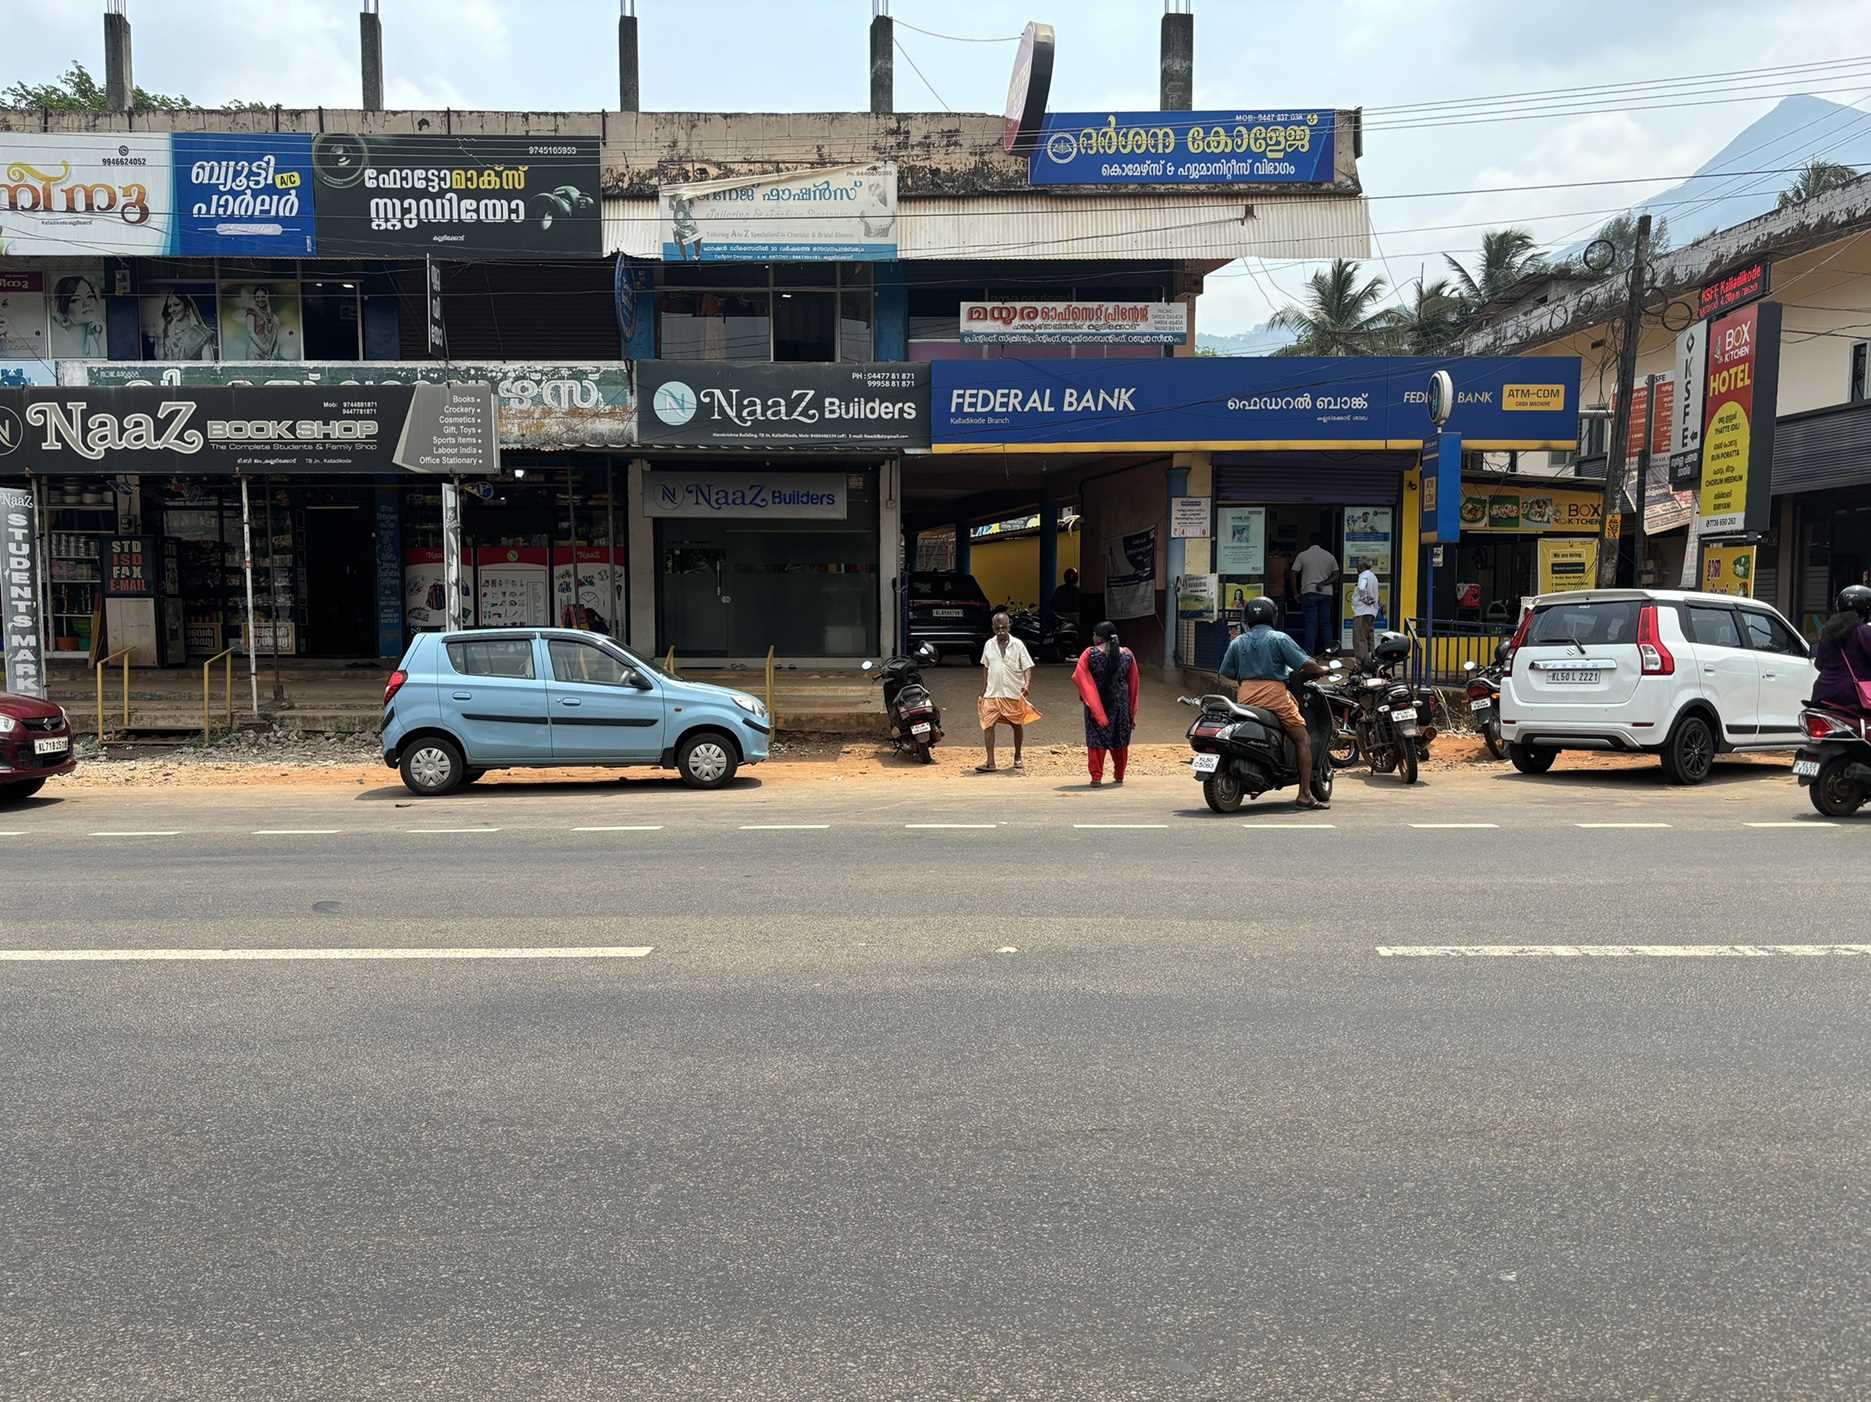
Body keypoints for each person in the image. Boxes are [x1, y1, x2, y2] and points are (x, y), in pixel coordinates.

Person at [1218, 595, 1329, 809]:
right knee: (1302, 739)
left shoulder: (1238, 641)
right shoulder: (1279, 638)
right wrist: (1321, 669)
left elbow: (1226, 671)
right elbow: (1305, 665)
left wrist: (1247, 676)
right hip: (1274, 694)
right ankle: (1305, 795)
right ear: (1273, 615)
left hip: (1245, 695)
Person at [1073, 620, 1140, 786]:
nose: (1093, 637)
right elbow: (1134, 682)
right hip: (1121, 702)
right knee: (1120, 737)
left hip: (1099, 701)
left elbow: (1079, 675)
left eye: (1094, 634)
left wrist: (1087, 697)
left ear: (1100, 637)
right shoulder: (1127, 654)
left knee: (1096, 738)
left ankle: (1096, 777)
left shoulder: (1090, 653)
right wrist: (1132, 710)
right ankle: (1119, 775)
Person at [977, 607, 1040, 772]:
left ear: (1009, 626)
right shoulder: (988, 645)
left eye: (1003, 627)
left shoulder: (1018, 645)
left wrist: (1026, 685)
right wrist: (984, 688)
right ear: (993, 628)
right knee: (988, 725)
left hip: (1013, 692)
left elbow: (1027, 667)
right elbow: (985, 667)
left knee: (1016, 724)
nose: (1000, 631)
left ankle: (1017, 756)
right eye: (997, 628)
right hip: (992, 693)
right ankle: (990, 762)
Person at [1811, 584, 1871, 716]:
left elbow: (1819, 664)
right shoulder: (1864, 632)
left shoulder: (1827, 632)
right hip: (1853, 698)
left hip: (1821, 695)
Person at [1293, 532, 1340, 655]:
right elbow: (1336, 574)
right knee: (1326, 624)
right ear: (1321, 542)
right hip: (1327, 594)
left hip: (1309, 592)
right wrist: (1324, 583)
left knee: (1310, 624)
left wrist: (1295, 593)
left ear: (1309, 541)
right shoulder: (1329, 556)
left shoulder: (1303, 555)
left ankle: (1309, 653)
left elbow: (1293, 573)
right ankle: (1329, 653)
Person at [153, 291, 215, 360]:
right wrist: (160, 335)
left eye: (177, 304)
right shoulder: (166, 334)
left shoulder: (201, 335)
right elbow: (160, 360)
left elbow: (208, 364)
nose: (172, 310)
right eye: (169, 306)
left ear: (187, 306)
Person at [1352, 559, 1381, 663]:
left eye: (1358, 566)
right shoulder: (1373, 576)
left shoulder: (1363, 575)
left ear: (1362, 567)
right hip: (1371, 612)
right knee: (1369, 639)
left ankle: (1362, 664)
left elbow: (1361, 588)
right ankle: (1372, 662)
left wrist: (1366, 599)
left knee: (1360, 639)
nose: (1356, 568)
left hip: (1362, 612)